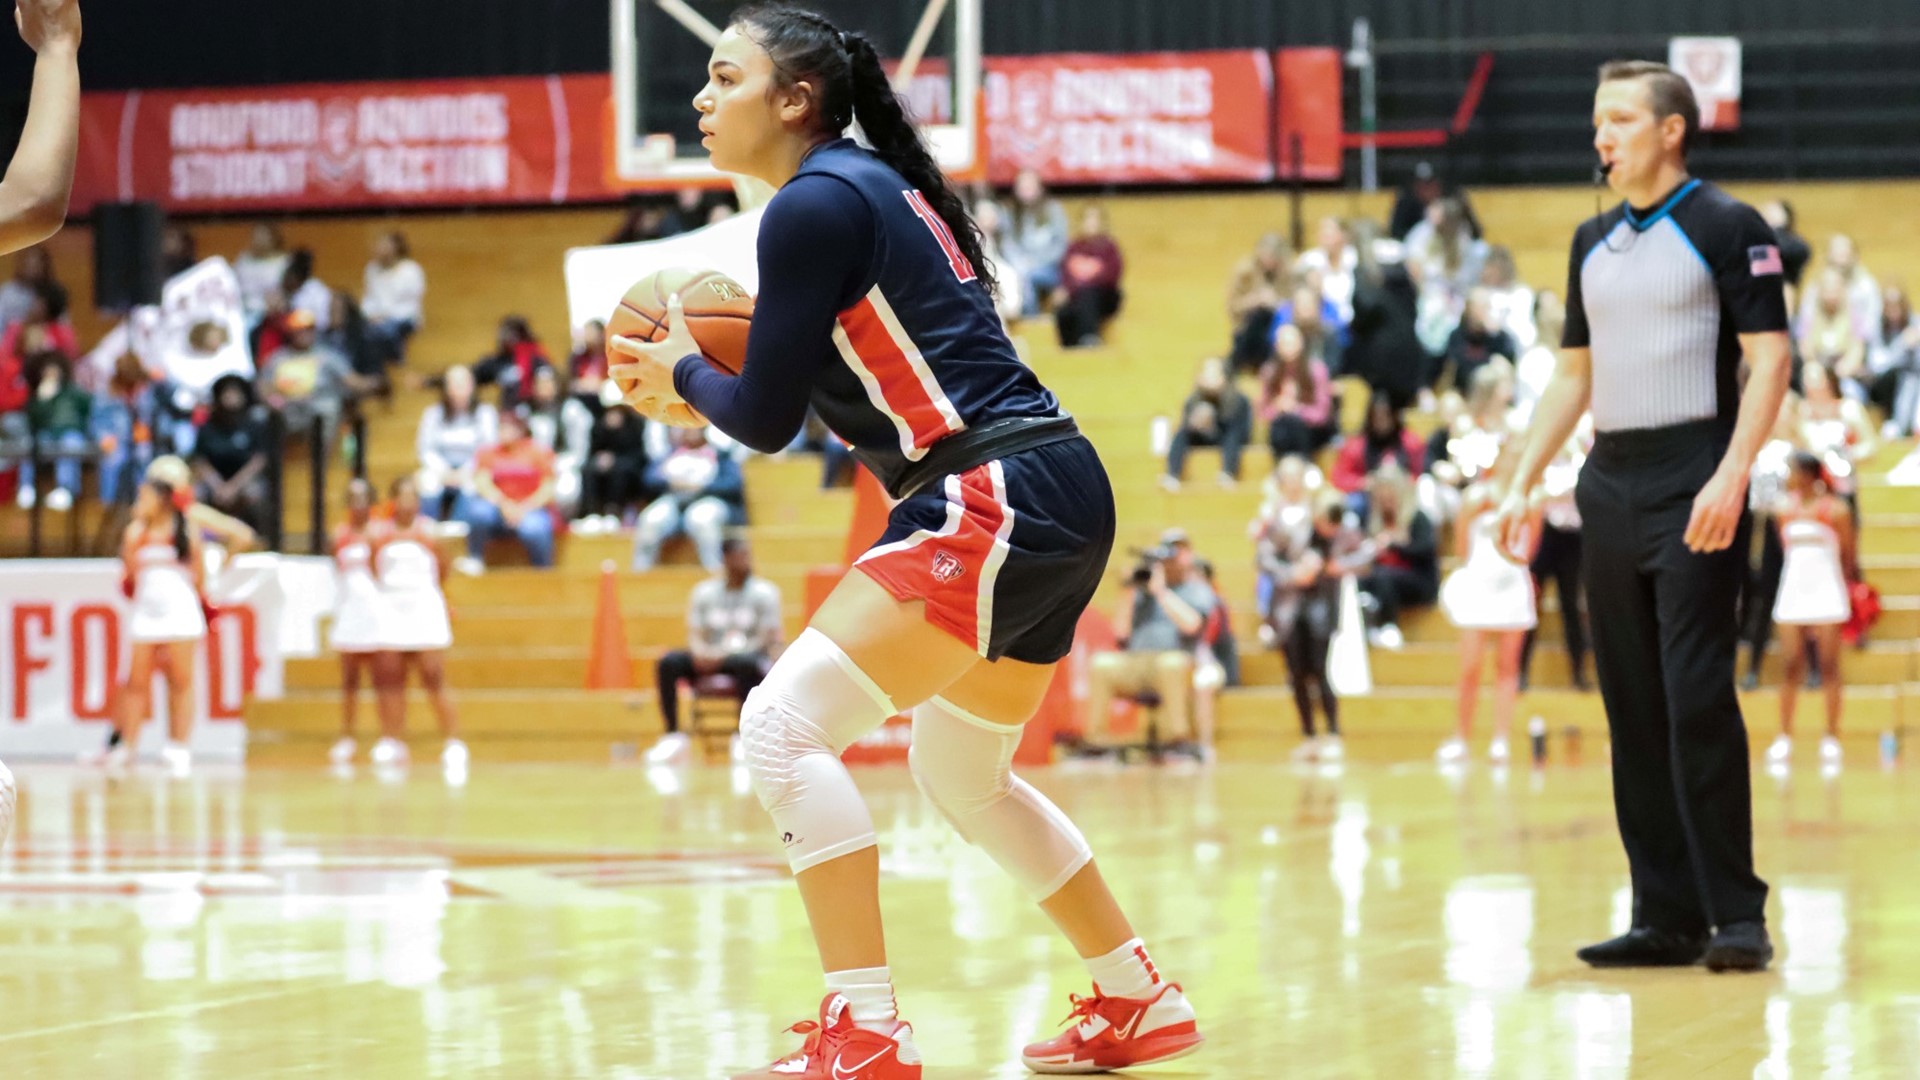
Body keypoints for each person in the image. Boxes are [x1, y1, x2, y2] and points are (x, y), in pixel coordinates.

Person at [605, 8, 1203, 1075]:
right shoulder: (867, 187)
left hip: (991, 487)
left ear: (794, 100)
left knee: (783, 729)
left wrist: (680, 371)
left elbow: (765, 418)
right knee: (963, 772)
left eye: (723, 76)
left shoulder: (812, 206)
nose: (699, 98)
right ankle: (1135, 995)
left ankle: (867, 1029)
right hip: (1051, 480)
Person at [1493, 60, 1790, 973]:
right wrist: (1519, 481)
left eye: (1620, 119)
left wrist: (1734, 472)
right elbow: (1573, 376)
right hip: (1610, 484)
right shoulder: (1590, 242)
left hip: (1694, 472)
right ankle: (1664, 915)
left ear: (1671, 130)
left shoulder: (1729, 226)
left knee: (1698, 696)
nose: (1602, 137)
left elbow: (1771, 359)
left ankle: (1736, 914)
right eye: (1597, 122)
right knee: (1630, 702)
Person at [647, 537, 785, 764]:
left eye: (747, 556)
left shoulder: (765, 593)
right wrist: (701, 652)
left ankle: (742, 736)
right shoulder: (704, 593)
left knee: (748, 664)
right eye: (739, 556)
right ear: (726, 559)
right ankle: (673, 735)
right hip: (708, 657)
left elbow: (767, 638)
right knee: (668, 662)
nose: (745, 562)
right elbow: (695, 633)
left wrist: (725, 656)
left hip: (745, 657)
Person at [100, 477, 206, 773]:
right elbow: (129, 575)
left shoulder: (185, 530)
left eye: (144, 496)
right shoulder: (136, 532)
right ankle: (128, 746)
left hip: (181, 610)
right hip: (147, 612)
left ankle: (179, 746)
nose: (139, 501)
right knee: (136, 681)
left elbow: (199, 575)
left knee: (181, 680)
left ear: (161, 499)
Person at [1438, 455, 1538, 765]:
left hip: (1512, 588)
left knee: (1508, 667)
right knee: (1469, 667)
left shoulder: (1531, 500)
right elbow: (1460, 548)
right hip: (1478, 586)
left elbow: (1528, 549)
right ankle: (1461, 738)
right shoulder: (1473, 498)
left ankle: (1500, 741)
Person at [1082, 530, 1213, 759]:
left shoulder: (1196, 589)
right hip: (1136, 662)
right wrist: (1129, 591)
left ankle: (1177, 741)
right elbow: (1120, 632)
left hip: (1176, 661)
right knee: (1100, 664)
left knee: (1170, 665)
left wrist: (1161, 593)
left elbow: (1192, 625)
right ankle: (1096, 742)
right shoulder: (1141, 592)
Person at [1765, 451, 1855, 770]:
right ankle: (1784, 736)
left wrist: (1841, 584)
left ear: (1807, 474)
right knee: (1790, 664)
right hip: (1793, 588)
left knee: (1829, 664)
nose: (1788, 476)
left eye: (1792, 470)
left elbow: (1848, 554)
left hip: (1827, 587)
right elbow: (1782, 549)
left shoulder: (1838, 510)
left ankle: (1831, 735)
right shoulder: (1782, 510)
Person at [371, 475, 464, 769]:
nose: (407, 503)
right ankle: (392, 739)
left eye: (413, 497)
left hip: (424, 604)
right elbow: (375, 568)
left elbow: (444, 567)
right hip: (392, 606)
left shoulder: (429, 533)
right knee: (391, 677)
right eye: (402, 497)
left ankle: (453, 741)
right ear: (393, 501)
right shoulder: (380, 535)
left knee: (432, 674)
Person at [1259, 486, 1355, 763]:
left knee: (1321, 670)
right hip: (1290, 611)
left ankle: (1333, 733)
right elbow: (1264, 558)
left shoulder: (1343, 531)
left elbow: (1364, 557)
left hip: (1322, 609)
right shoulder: (1289, 527)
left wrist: (1334, 567)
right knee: (1296, 674)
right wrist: (1293, 574)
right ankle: (1309, 735)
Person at [1518, 422, 1593, 692]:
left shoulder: (1581, 462)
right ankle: (1520, 672)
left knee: (1571, 608)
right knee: (1531, 606)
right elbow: (1536, 496)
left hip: (1573, 540)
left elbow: (1577, 492)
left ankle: (1578, 674)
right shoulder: (1543, 464)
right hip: (1546, 538)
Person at [327, 479, 391, 767]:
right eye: (352, 498)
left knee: (382, 677)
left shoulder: (381, 533)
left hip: (377, 608)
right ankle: (347, 736)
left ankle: (388, 736)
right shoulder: (338, 535)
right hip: (349, 607)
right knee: (349, 679)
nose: (358, 504)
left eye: (363, 497)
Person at [631, 424, 744, 572]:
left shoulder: (719, 454)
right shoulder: (671, 453)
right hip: (673, 500)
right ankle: (640, 574)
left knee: (701, 519)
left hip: (708, 499)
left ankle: (714, 572)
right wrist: (669, 482)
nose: (690, 433)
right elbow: (649, 478)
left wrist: (703, 487)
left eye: (695, 429)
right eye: (686, 429)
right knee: (650, 519)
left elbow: (733, 483)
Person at [458, 409, 557, 572]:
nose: (504, 432)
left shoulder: (539, 452)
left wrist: (524, 507)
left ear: (520, 429)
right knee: (478, 512)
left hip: (530, 508)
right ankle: (475, 558)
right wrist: (503, 504)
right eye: (501, 428)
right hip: (498, 508)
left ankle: (542, 569)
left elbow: (548, 487)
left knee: (535, 529)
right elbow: (482, 482)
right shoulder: (487, 453)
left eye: (509, 427)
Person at [1344, 219, 1428, 409]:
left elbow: (1365, 309)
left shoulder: (1365, 272)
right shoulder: (1402, 268)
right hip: (1409, 350)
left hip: (1379, 355)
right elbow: (1414, 306)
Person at [1355, 461, 1438, 651]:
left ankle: (1388, 625)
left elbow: (1425, 551)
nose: (1386, 501)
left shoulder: (1418, 518)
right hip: (1380, 579)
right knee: (1362, 578)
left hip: (1418, 582)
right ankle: (1367, 620)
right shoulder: (1370, 520)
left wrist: (1395, 545)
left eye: (1390, 496)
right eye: (1381, 497)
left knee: (1384, 576)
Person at [416, 364, 498, 520]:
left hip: (472, 467)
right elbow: (425, 449)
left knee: (473, 485)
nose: (459, 387)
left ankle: (457, 529)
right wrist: (444, 471)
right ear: (446, 387)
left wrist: (464, 471)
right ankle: (428, 526)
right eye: (454, 382)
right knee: (426, 482)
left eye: (463, 382)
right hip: (440, 467)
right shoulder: (433, 414)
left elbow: (488, 449)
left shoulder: (486, 413)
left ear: (472, 385)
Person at [190, 373, 271, 532]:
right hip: (214, 481)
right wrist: (218, 486)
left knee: (255, 493)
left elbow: (258, 460)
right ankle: (200, 538)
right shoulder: (208, 427)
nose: (231, 397)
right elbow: (200, 460)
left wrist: (234, 487)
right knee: (195, 494)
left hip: (244, 480)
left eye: (235, 393)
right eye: (226, 393)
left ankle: (257, 538)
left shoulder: (253, 425)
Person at [1161, 356, 1250, 491]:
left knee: (1232, 435)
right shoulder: (1193, 399)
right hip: (1201, 437)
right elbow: (1186, 424)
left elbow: (1242, 430)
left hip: (1227, 438)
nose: (1209, 378)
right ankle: (1172, 474)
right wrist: (1196, 423)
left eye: (1214, 373)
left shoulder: (1239, 399)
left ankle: (1228, 472)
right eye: (1206, 373)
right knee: (1181, 434)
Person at [16, 352, 89, 509]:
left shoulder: (72, 391)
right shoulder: (39, 394)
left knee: (71, 444)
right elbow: (32, 420)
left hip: (70, 432)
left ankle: (65, 489)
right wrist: (42, 399)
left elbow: (88, 410)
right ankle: (27, 488)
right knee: (29, 443)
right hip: (46, 434)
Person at [521, 365, 593, 520]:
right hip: (533, 466)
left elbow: (580, 451)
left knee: (566, 492)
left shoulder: (573, 410)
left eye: (548, 383)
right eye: (539, 384)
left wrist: (556, 465)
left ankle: (563, 523)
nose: (544, 388)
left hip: (564, 464)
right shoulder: (527, 412)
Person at [998, 167, 1069, 318]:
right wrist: (1019, 263)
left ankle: (1031, 319)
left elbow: (1060, 246)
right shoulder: (1008, 211)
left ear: (1040, 188)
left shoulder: (1053, 210)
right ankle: (1022, 318)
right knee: (1016, 275)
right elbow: (1006, 243)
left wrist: (1035, 262)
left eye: (1030, 186)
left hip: (1049, 267)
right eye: (1022, 187)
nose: (1026, 191)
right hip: (1018, 265)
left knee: (1028, 276)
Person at [1258, 323, 1334, 459]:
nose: (1288, 348)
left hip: (1312, 431)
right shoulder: (1270, 372)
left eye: (1291, 343)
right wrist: (1279, 408)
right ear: (1276, 346)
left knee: (1294, 422)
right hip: (1281, 428)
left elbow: (1322, 414)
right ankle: (1284, 467)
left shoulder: (1316, 370)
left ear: (1301, 344)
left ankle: (1302, 465)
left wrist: (1297, 409)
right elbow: (1263, 411)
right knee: (1283, 424)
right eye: (1284, 343)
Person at [91, 352, 158, 505]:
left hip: (139, 439)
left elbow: (152, 415)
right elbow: (96, 421)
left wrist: (145, 430)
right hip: (116, 439)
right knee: (112, 461)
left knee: (144, 458)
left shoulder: (145, 391)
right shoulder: (106, 392)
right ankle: (107, 505)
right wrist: (104, 437)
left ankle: (144, 503)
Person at [1053, 204, 1123, 349]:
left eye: (1095, 219)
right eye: (1087, 219)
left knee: (1088, 295)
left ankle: (1089, 338)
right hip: (1077, 297)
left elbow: (1110, 277)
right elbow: (1065, 274)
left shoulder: (1109, 247)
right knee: (1063, 311)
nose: (1091, 223)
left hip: (1103, 297)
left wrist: (1078, 286)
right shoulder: (1073, 247)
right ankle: (1069, 347)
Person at [1329, 391, 1424, 497]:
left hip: (1404, 495)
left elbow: (1421, 473)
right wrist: (1362, 482)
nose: (1381, 422)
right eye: (1376, 417)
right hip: (1369, 497)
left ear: (1394, 417)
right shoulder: (1356, 446)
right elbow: (1339, 477)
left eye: (1385, 416)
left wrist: (1405, 481)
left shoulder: (1410, 443)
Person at [577, 401, 650, 532]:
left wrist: (615, 459)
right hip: (603, 463)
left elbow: (639, 454)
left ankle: (614, 512)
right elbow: (593, 450)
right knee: (588, 468)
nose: (614, 414)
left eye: (617, 410)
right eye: (610, 410)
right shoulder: (598, 425)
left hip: (631, 463)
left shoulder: (636, 424)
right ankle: (591, 513)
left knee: (620, 470)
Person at [1225, 233, 1290, 372]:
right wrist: (1254, 300)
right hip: (1249, 325)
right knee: (1258, 317)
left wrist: (1277, 303)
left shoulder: (1289, 273)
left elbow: (1297, 306)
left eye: (1272, 256)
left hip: (1280, 326)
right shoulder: (1245, 272)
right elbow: (1232, 308)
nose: (1267, 261)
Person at [361, 230, 425, 366]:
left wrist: (384, 317)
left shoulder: (410, 270)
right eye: (377, 244)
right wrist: (369, 314)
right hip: (377, 319)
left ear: (395, 247)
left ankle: (397, 358)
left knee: (386, 330)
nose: (378, 248)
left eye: (383, 244)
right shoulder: (371, 269)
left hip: (404, 317)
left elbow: (411, 303)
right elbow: (369, 298)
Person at [1441, 288, 1521, 394]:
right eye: (1481, 307)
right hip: (1464, 390)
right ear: (1469, 308)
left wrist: (1494, 335)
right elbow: (1457, 366)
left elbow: (1509, 363)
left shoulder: (1499, 337)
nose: (1485, 311)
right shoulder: (1457, 335)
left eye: (1487, 307)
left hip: (1490, 392)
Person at [1389, 160, 1482, 242]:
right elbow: (1396, 233)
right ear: (1414, 187)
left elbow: (1475, 232)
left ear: (1439, 185)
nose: (1427, 190)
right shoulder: (1406, 202)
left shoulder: (1453, 200)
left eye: (1430, 184)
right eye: (1421, 185)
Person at [471, 315, 550, 407]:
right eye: (504, 333)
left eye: (513, 333)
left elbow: (547, 383)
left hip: (532, 410)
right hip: (508, 412)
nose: (507, 338)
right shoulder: (498, 361)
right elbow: (474, 375)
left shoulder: (536, 357)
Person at [1296, 216, 1357, 323]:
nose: (1325, 239)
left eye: (1330, 235)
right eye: (1322, 234)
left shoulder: (1355, 258)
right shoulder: (1309, 260)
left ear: (1344, 235)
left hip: (1355, 318)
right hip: (1322, 320)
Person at [233, 222, 290, 326]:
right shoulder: (243, 260)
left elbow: (288, 292)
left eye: (264, 235)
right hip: (242, 311)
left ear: (273, 238)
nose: (260, 239)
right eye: (257, 235)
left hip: (271, 315)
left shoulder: (284, 261)